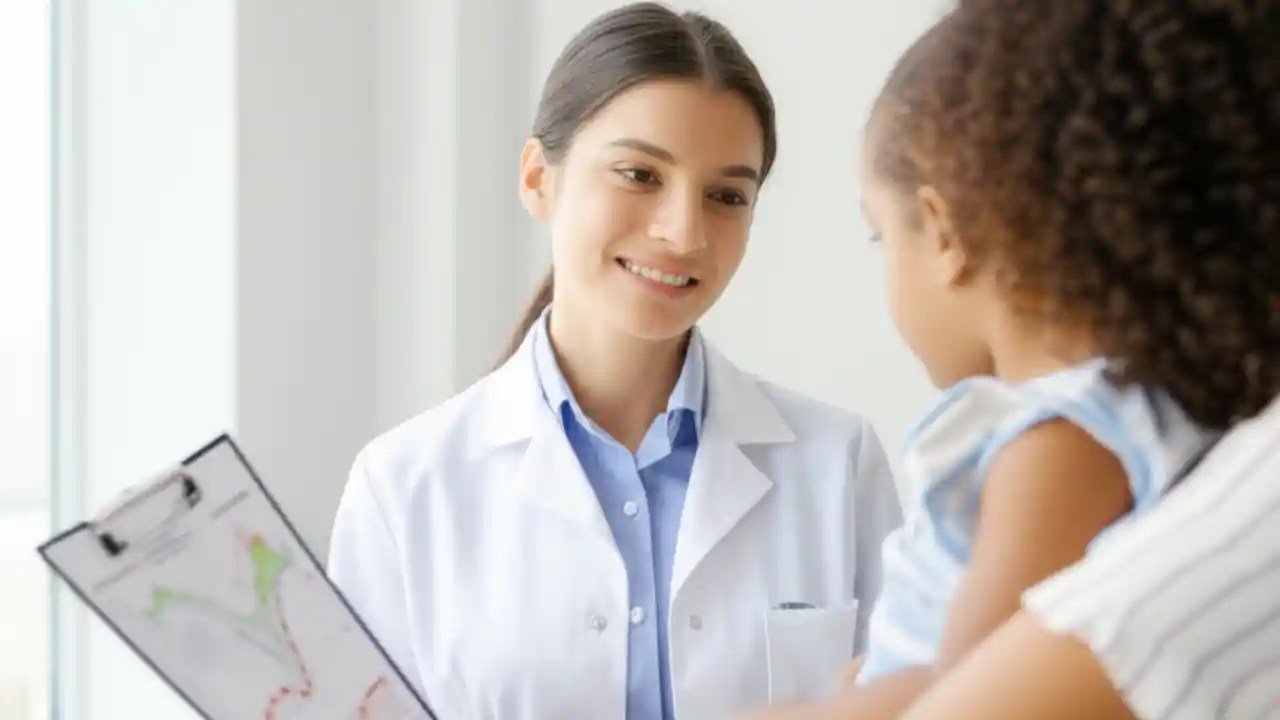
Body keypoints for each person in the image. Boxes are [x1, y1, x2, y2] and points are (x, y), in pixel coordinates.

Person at [326, 4, 901, 719]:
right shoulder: (405, 486)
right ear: (539, 179)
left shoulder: (837, 464)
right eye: (639, 174)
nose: (684, 231)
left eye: (727, 195)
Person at [741, 0, 1280, 717]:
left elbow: (967, 683)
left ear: (943, 233)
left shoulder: (1064, 438)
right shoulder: (1128, 413)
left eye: (881, 235)